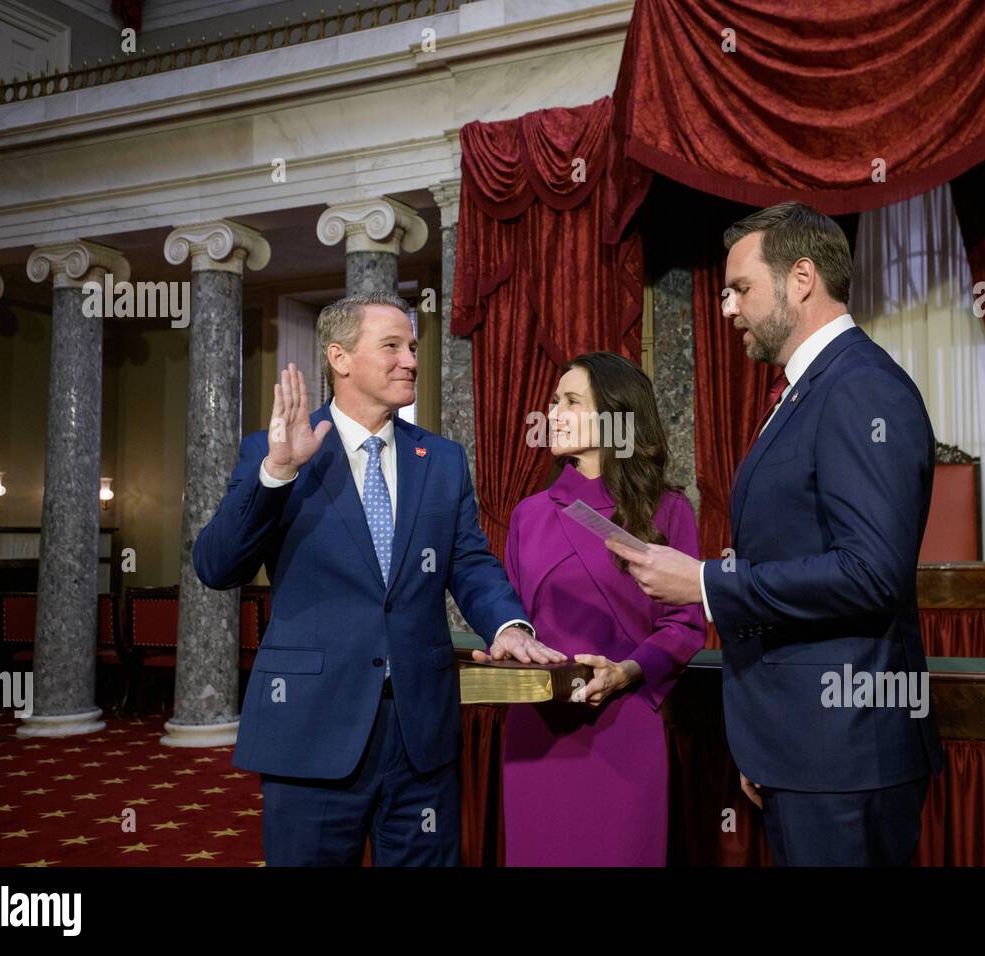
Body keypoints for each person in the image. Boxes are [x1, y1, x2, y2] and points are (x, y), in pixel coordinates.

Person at [608, 203, 945, 866]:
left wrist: (705, 581)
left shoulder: (859, 388)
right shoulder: (806, 389)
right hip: (803, 747)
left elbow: (872, 574)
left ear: (800, 278)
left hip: (845, 755)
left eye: (740, 289)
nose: (728, 309)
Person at [193, 291, 563, 866]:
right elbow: (217, 566)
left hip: (420, 731)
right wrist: (278, 472)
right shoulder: (278, 450)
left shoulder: (440, 460)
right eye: (391, 346)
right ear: (339, 358)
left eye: (413, 347)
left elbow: (468, 561)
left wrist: (507, 625)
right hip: (311, 726)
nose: (410, 360)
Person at [491, 351, 706, 866]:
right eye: (553, 400)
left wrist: (630, 670)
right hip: (536, 732)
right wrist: (504, 649)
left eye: (570, 401)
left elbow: (686, 625)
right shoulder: (528, 514)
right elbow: (516, 618)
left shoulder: (669, 510)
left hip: (625, 725)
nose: (552, 414)